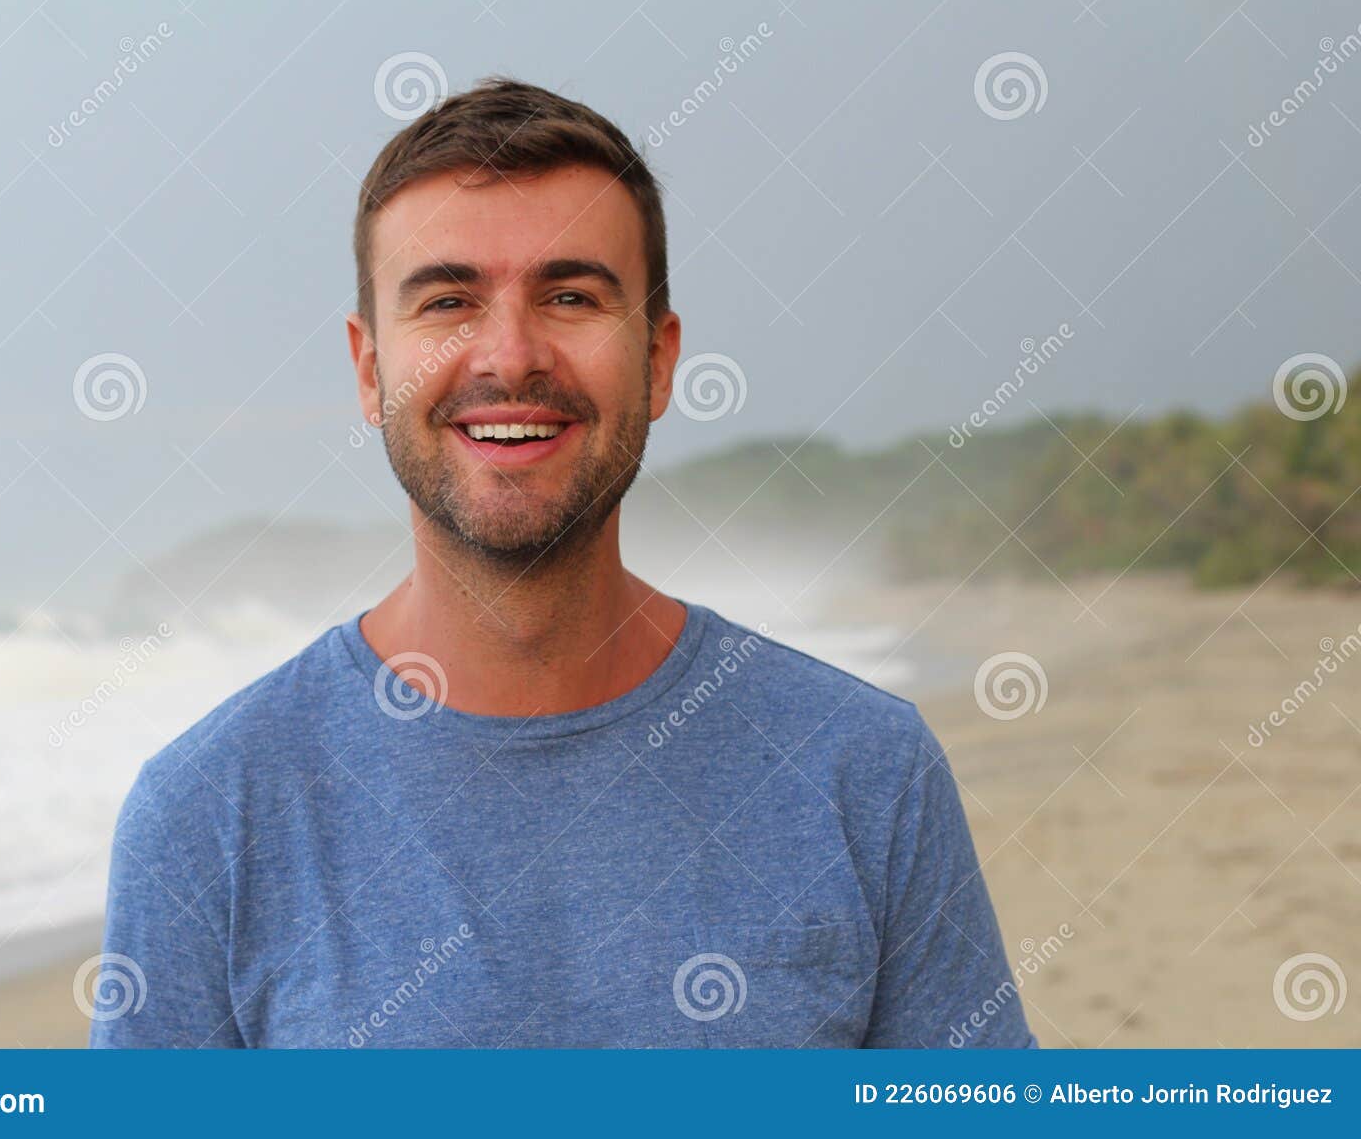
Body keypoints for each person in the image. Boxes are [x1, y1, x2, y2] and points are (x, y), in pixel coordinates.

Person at [90, 77, 1032, 1048]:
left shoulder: (862, 772)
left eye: (571, 295)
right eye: (449, 299)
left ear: (659, 360)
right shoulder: (208, 814)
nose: (509, 353)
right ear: (370, 369)